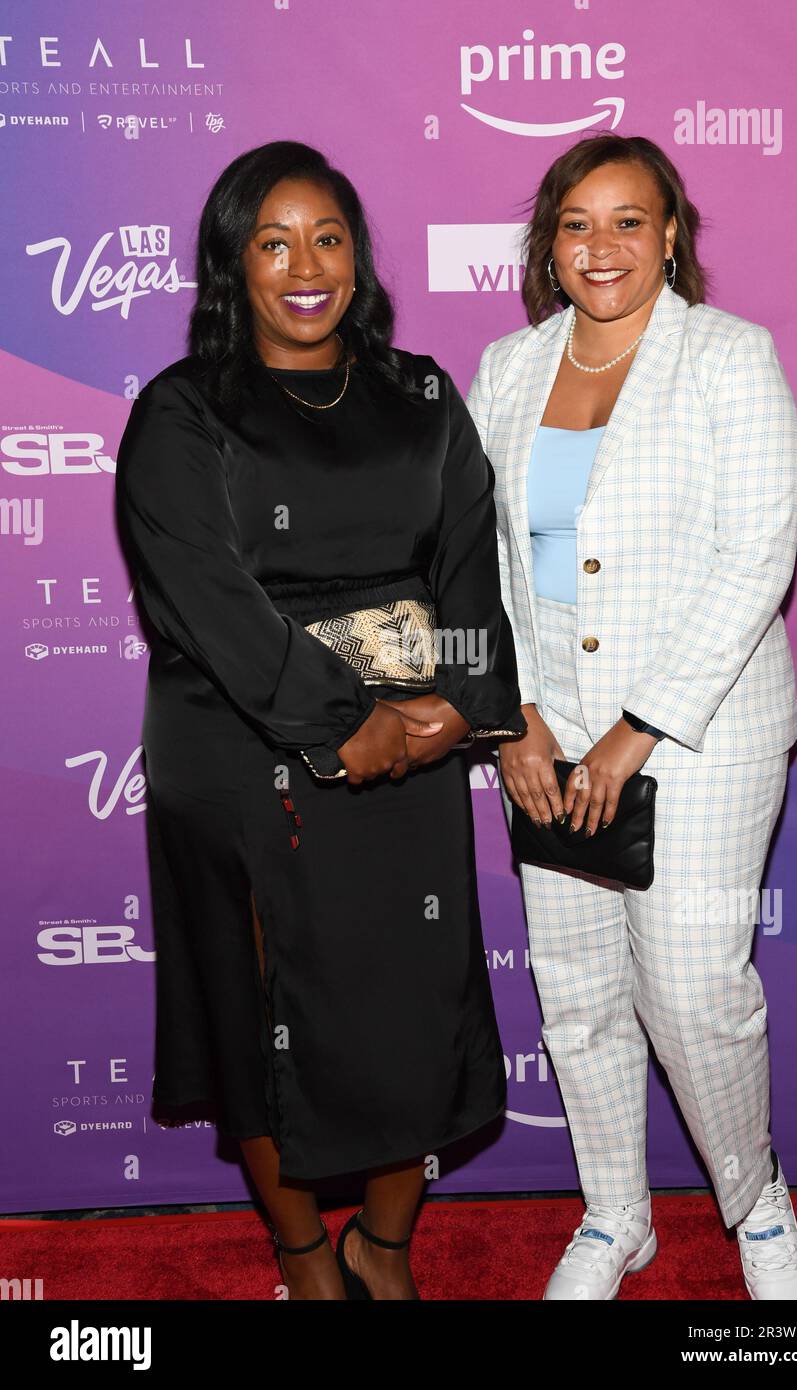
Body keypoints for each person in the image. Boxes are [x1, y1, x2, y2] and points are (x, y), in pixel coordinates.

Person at [114, 140, 526, 1301]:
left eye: (328, 238)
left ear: (358, 257)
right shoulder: (184, 413)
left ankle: (380, 1250)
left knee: (412, 1012)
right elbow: (205, 601)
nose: (304, 266)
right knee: (263, 1023)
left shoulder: (421, 395)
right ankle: (305, 1260)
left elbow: (466, 570)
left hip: (415, 758)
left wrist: (458, 699)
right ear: (232, 263)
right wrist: (344, 724)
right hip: (246, 760)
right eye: (273, 241)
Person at [466, 131, 797, 1301]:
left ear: (670, 235)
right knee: (573, 988)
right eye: (575, 223)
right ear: (546, 246)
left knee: (693, 991)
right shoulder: (507, 369)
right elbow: (486, 562)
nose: (600, 245)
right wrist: (512, 715)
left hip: (696, 730)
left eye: (627, 220)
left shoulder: (726, 356)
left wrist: (638, 725)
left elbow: (755, 555)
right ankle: (614, 1213)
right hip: (544, 730)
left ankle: (754, 1203)